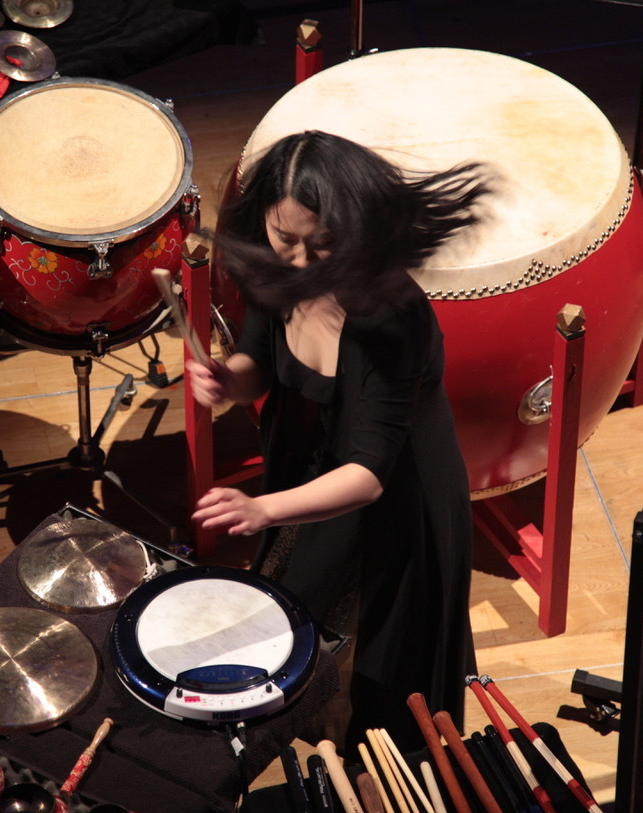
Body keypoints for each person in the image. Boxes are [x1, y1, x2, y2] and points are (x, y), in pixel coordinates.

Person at [187, 130, 488, 754]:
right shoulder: (277, 271)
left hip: (401, 492)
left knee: (388, 667)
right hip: (316, 463)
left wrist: (261, 507)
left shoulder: (391, 317)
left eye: (321, 247)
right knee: (302, 613)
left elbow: (370, 474)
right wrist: (227, 378)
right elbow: (259, 363)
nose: (296, 262)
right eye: (284, 238)